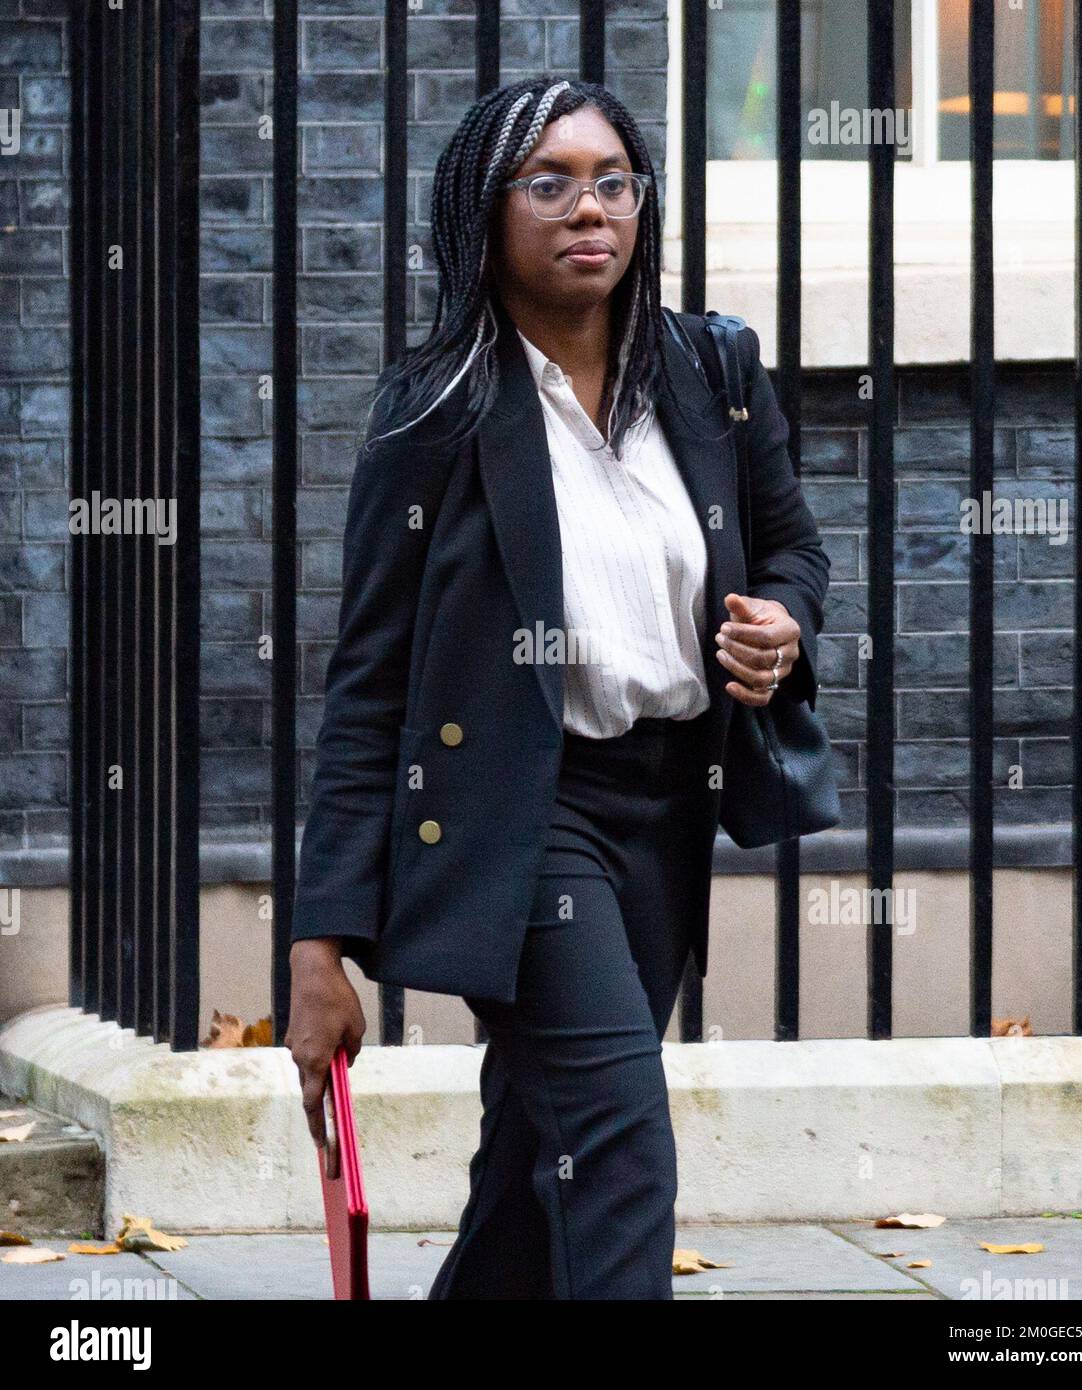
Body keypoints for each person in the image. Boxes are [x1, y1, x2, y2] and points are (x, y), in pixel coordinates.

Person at [285, 74, 831, 1300]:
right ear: (485, 214)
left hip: (666, 803)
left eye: (611, 182)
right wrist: (319, 947)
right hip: (519, 823)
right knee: (623, 1140)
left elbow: (793, 546)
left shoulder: (712, 370)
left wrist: (781, 619)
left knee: (545, 1151)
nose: (589, 209)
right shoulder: (434, 415)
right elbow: (369, 684)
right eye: (549, 184)